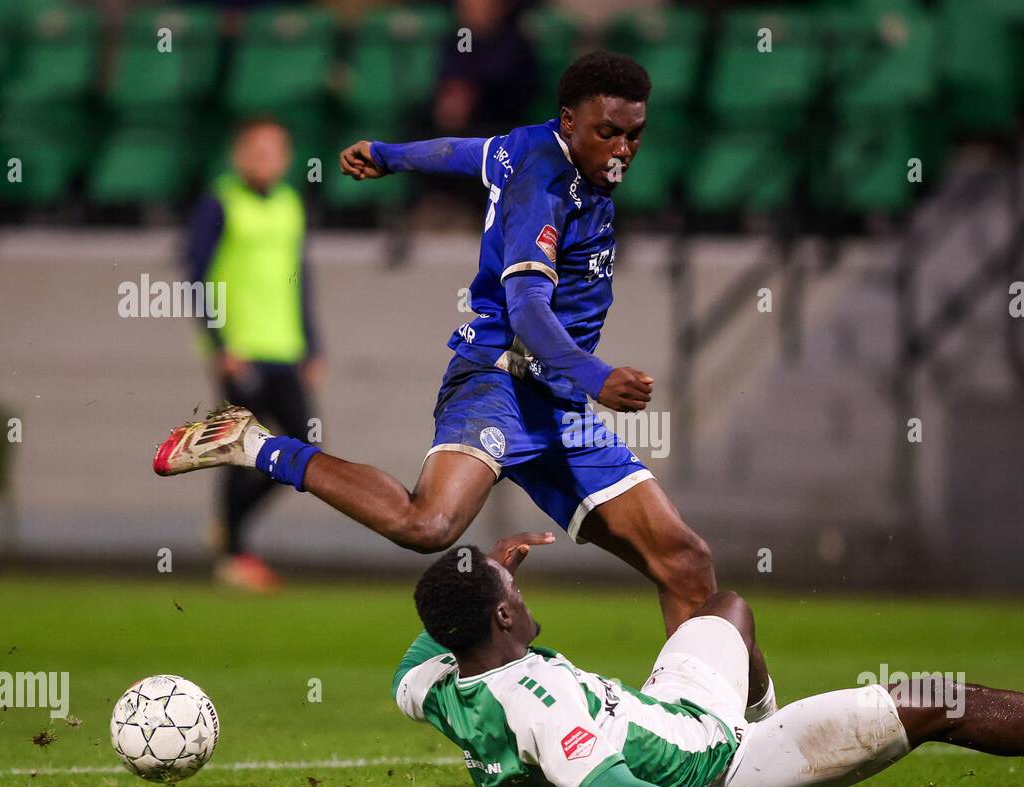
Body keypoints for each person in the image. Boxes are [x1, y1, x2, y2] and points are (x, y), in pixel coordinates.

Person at [153, 54, 776, 716]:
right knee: (430, 524)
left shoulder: (524, 146)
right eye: (607, 133)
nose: (622, 151)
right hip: (498, 381)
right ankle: (254, 444)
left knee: (684, 561)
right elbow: (529, 311)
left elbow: (465, 153)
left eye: (634, 135)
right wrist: (597, 376)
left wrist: (390, 154)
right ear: (570, 123)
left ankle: (741, 737)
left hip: (556, 403)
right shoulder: (543, 184)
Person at [389, 535, 1024, 787]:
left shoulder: (443, 679)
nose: (526, 601)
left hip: (680, 715)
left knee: (726, 609)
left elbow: (411, 659)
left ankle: (783, 747)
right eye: (516, 598)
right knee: (936, 700)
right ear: (499, 622)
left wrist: (482, 572)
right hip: (714, 776)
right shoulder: (542, 702)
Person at [184, 115, 323, 592]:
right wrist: (220, 345)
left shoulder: (289, 203)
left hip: (284, 347)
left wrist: (311, 344)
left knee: (305, 444)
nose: (266, 159)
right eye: (257, 150)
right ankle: (234, 552)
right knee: (241, 449)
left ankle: (228, 530)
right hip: (240, 350)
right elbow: (197, 276)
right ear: (239, 155)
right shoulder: (219, 203)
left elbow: (300, 278)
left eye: (275, 151)